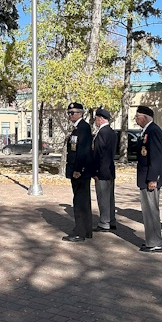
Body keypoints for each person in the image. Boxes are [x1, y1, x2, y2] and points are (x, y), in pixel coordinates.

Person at [135, 106, 162, 253]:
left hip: (150, 177)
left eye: (137, 117)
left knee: (151, 211)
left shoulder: (153, 131)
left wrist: (152, 179)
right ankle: (151, 240)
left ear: (145, 117)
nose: (136, 120)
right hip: (145, 175)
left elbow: (156, 157)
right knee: (147, 211)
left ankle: (155, 242)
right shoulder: (147, 131)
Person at [63, 102, 95, 242]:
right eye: (69, 113)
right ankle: (86, 230)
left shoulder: (83, 128)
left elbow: (83, 151)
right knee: (82, 200)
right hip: (78, 170)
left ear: (80, 113)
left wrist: (78, 169)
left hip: (80, 171)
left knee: (80, 202)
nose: (70, 115)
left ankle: (80, 232)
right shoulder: (77, 128)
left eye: (73, 113)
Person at [91, 107, 117, 233]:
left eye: (96, 118)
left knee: (103, 197)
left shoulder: (102, 133)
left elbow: (98, 153)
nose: (95, 121)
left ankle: (104, 222)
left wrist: (95, 171)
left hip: (102, 170)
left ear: (100, 119)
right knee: (110, 197)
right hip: (110, 169)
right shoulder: (112, 132)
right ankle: (111, 220)